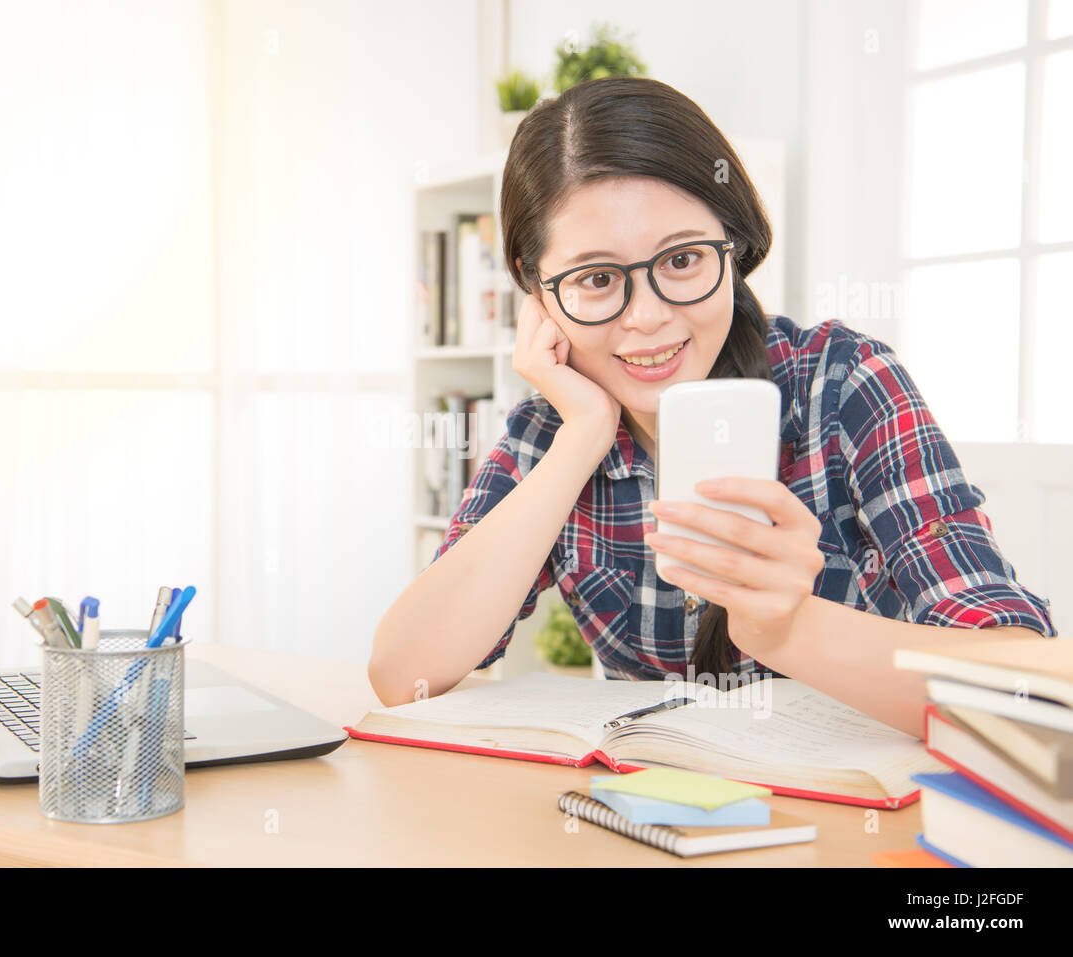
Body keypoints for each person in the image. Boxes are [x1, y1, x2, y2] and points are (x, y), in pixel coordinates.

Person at [368, 77, 1056, 737]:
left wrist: (787, 629)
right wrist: (583, 437)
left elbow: (1020, 686)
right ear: (537, 292)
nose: (647, 317)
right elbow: (405, 673)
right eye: (598, 279)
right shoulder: (551, 430)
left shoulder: (841, 382)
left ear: (732, 246)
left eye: (682, 262)